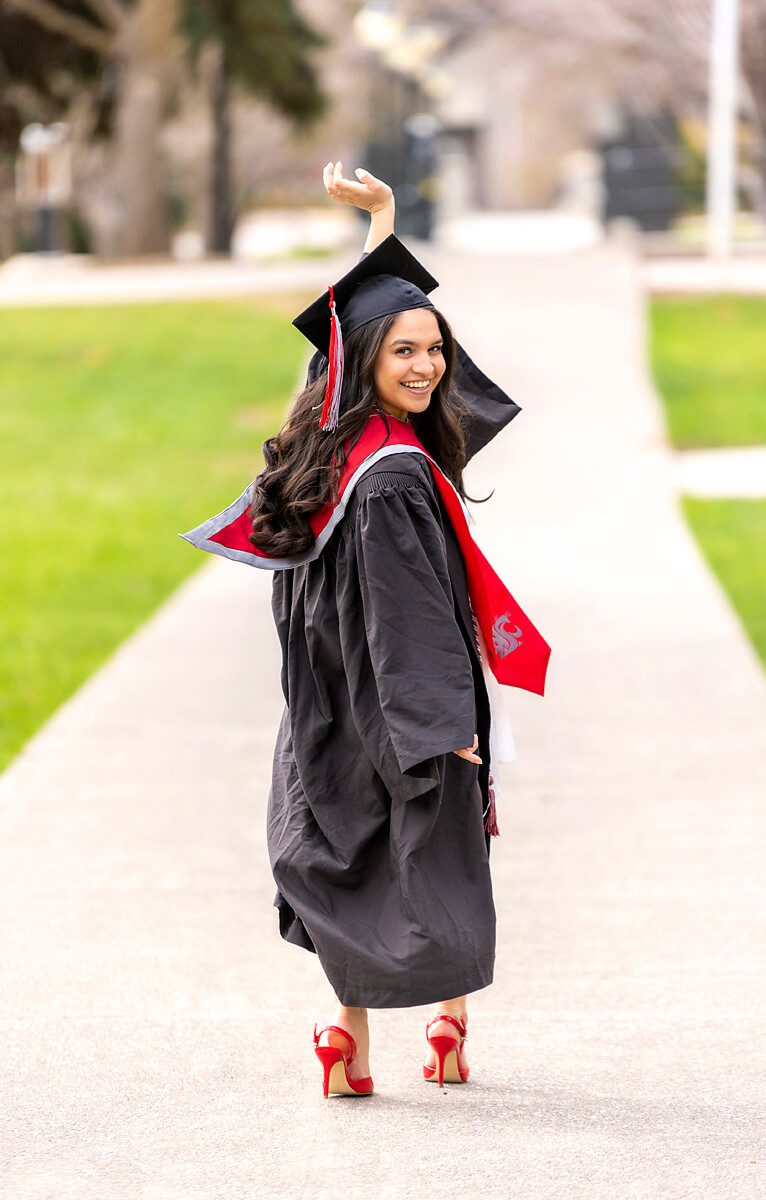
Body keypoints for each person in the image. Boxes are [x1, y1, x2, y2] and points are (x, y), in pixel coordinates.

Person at [180, 161, 551, 1097]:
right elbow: (408, 610)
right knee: (438, 851)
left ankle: (343, 1043)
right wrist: (439, 729)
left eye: (436, 350)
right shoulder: (387, 476)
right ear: (370, 365)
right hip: (396, 698)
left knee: (339, 849)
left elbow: (345, 344)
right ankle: (448, 1033)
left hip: (331, 697)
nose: (429, 368)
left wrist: (383, 225)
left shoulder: (336, 441)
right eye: (406, 355)